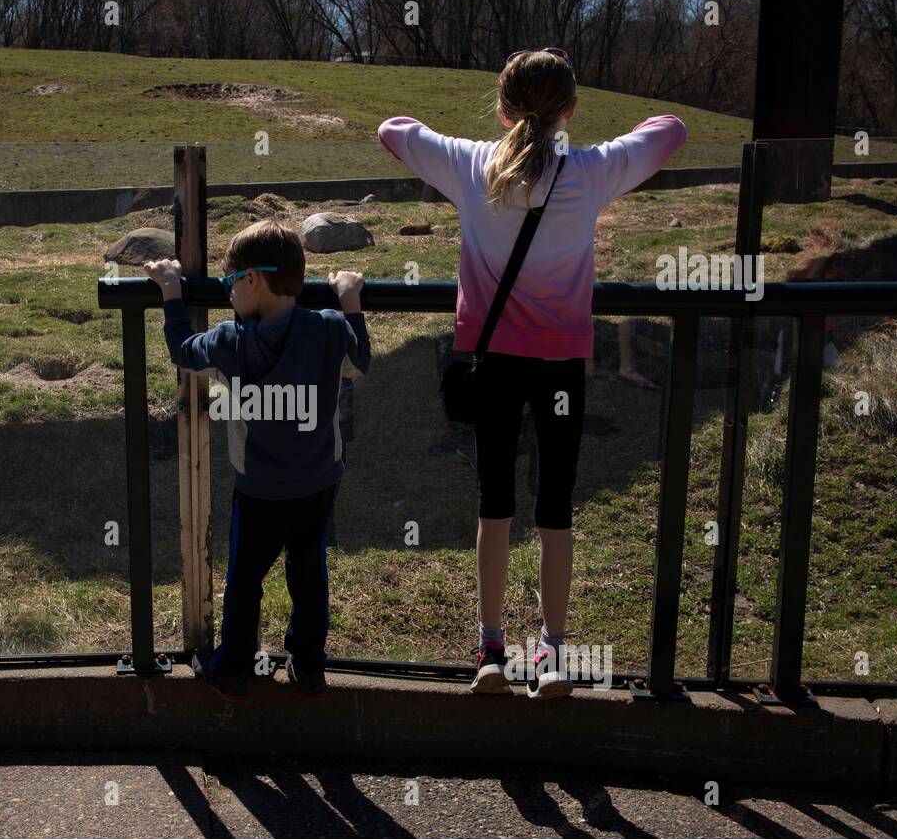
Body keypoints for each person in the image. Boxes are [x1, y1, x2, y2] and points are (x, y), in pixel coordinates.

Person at [377, 48, 686, 698]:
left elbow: (394, 131)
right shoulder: (592, 171)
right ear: (570, 111)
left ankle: (490, 648)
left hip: (492, 363)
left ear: (501, 107)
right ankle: (552, 651)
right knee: (555, 510)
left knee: (495, 505)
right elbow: (670, 130)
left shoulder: (470, 164)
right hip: (561, 364)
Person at [143, 219, 371, 702]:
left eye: (229, 283)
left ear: (252, 279)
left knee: (245, 581)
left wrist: (170, 293)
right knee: (309, 576)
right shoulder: (329, 329)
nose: (227, 293)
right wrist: (350, 300)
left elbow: (183, 352)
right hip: (318, 484)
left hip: (258, 489)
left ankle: (232, 670)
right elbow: (360, 363)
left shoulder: (230, 341)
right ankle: (309, 666)